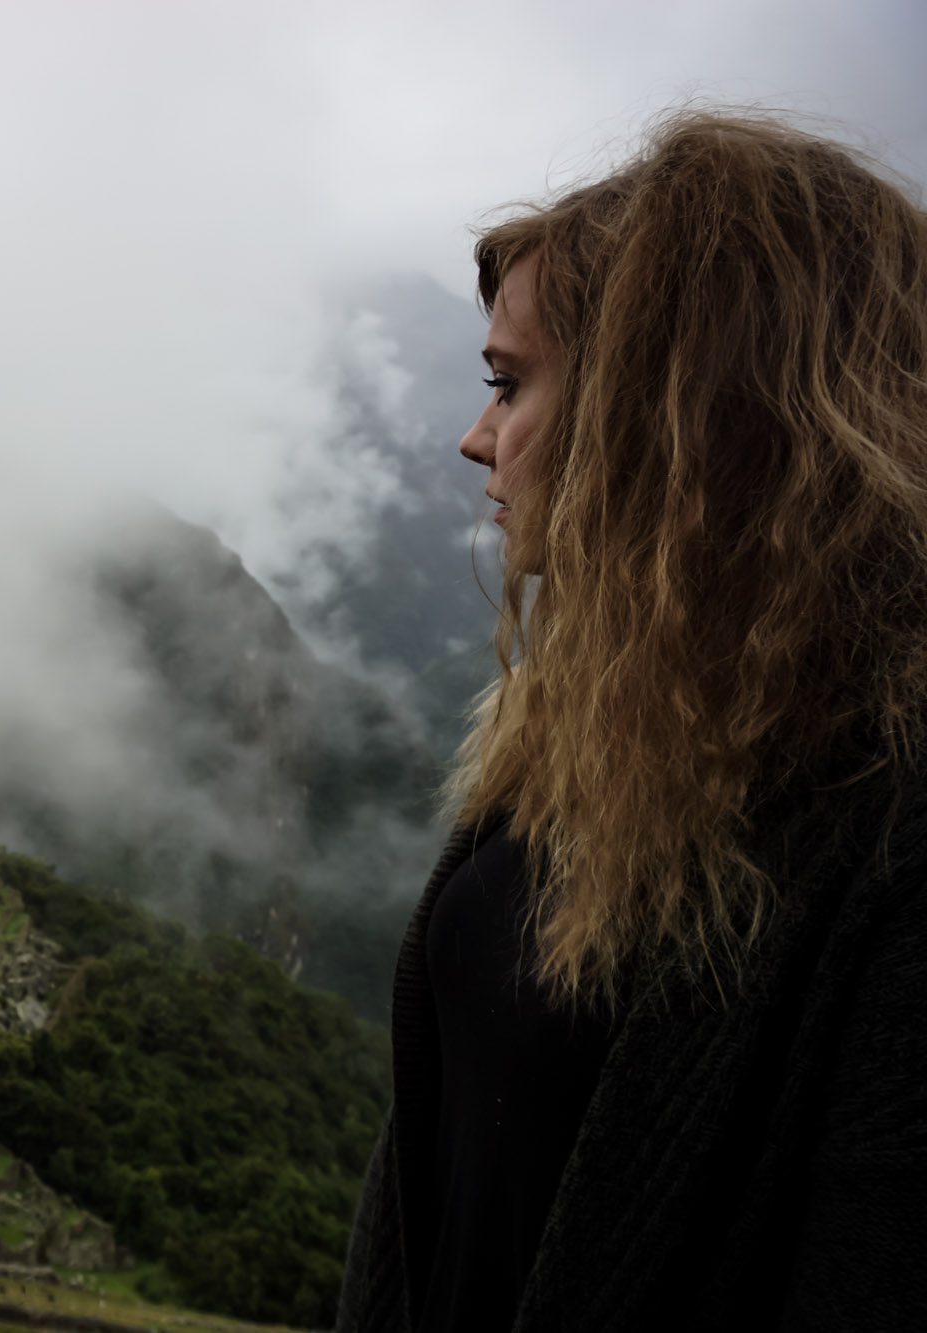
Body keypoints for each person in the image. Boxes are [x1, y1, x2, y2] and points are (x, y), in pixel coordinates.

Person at [338, 110, 927, 1332]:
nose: (473, 436)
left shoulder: (883, 831)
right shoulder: (587, 734)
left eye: (508, 384)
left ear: (677, 405)